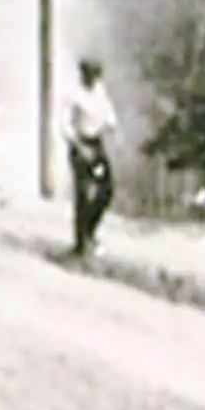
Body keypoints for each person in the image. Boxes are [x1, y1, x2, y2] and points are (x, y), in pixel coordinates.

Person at [64, 60, 120, 260]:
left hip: (96, 145)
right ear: (82, 75)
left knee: (106, 190)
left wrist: (112, 134)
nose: (92, 79)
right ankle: (80, 244)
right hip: (80, 145)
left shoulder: (100, 93)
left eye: (95, 75)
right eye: (88, 75)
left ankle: (90, 231)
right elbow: (65, 126)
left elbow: (110, 118)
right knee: (83, 193)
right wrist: (80, 147)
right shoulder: (74, 94)